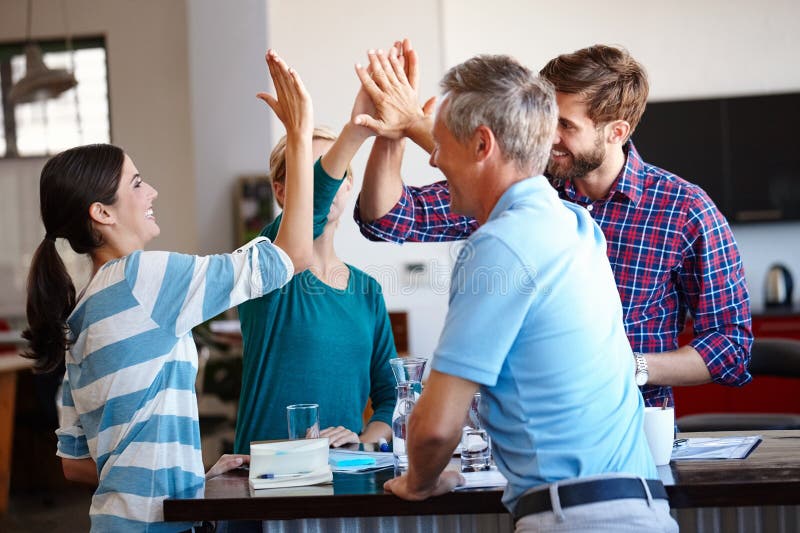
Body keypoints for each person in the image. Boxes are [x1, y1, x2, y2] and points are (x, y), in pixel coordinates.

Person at [353, 42, 752, 409]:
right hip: (521, 433)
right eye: (547, 120)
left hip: (631, 424)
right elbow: (389, 220)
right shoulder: (529, 182)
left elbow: (729, 347)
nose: (549, 137)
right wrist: (394, 135)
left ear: (617, 132)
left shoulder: (684, 210)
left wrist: (629, 366)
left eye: (566, 125)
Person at [375, 53, 677, 531]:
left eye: (441, 143)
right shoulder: (577, 225)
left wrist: (418, 481)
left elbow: (434, 428)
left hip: (576, 519)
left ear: (481, 144)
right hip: (644, 511)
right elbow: (386, 218)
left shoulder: (499, 245)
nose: (433, 157)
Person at [21, 51, 313, 532]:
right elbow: (291, 255)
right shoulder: (143, 278)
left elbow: (76, 464)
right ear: (103, 213)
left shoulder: (76, 320)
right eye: (136, 183)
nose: (151, 192)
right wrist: (300, 138)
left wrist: (187, 478)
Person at [234, 121, 396, 452]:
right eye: (310, 173)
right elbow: (311, 212)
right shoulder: (266, 260)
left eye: (335, 173)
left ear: (349, 184)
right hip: (267, 483)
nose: (325, 183)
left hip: (346, 481)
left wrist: (361, 443)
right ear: (280, 192)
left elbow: (393, 398)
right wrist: (358, 127)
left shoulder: (368, 292)